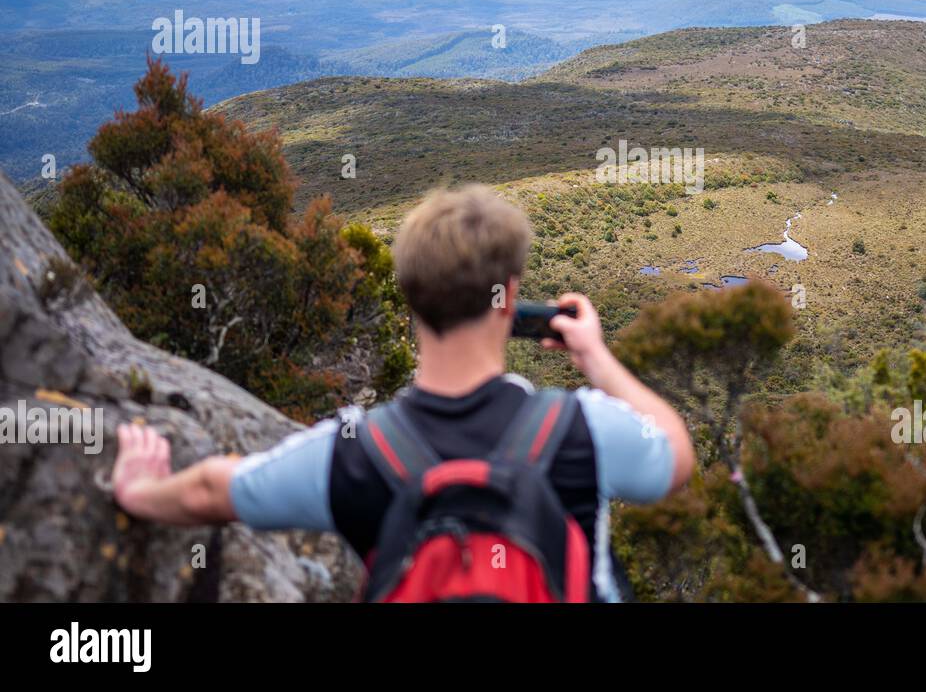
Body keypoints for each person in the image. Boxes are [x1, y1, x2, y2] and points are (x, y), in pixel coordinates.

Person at [110, 184, 695, 602]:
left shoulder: (351, 453)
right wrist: (595, 356)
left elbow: (214, 490)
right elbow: (674, 452)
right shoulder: (581, 431)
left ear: (411, 298)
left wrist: (138, 492)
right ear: (510, 296)